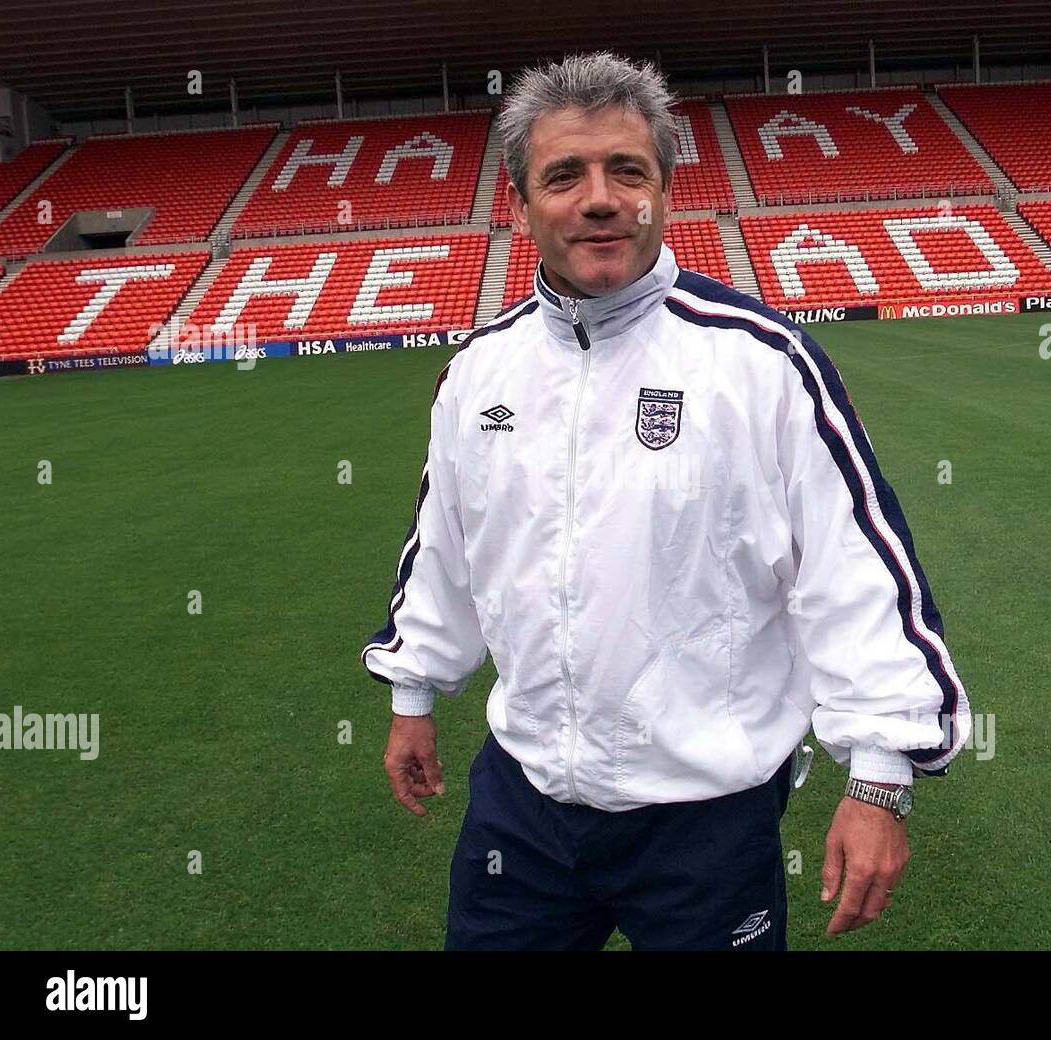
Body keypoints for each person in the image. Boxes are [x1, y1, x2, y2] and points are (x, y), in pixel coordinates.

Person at [362, 51, 971, 951]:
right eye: (564, 174)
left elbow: (853, 573)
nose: (599, 198)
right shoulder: (478, 373)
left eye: (627, 171)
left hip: (706, 821)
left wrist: (879, 777)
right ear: (521, 201)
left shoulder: (761, 364)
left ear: (665, 192)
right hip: (522, 805)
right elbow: (448, 547)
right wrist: (414, 693)